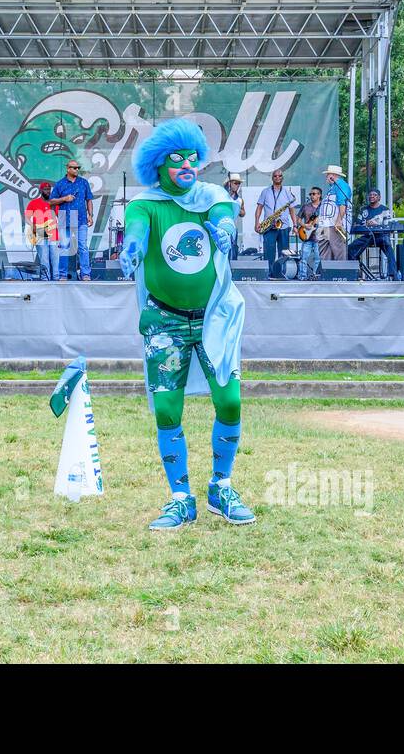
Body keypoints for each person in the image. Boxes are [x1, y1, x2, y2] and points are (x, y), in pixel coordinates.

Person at [120, 120, 253, 531]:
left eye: (193, 159)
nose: (187, 167)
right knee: (165, 408)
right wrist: (134, 246)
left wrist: (227, 231)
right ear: (158, 164)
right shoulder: (143, 204)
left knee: (229, 401)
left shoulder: (211, 195)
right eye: (177, 160)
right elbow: (138, 230)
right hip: (164, 320)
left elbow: (223, 215)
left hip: (215, 316)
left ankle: (221, 487)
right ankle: (181, 498)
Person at [50, 159, 95, 280]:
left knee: (83, 247)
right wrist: (65, 198)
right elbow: (51, 201)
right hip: (65, 217)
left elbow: (89, 199)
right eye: (74, 168)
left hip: (81, 218)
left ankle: (85, 274)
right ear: (68, 169)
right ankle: (63, 275)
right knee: (64, 247)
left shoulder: (83, 182)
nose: (77, 170)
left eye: (78, 168)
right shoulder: (60, 184)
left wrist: (90, 215)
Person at [254, 169, 298, 278]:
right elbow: (259, 207)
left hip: (284, 226)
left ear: (282, 177)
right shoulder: (265, 191)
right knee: (269, 252)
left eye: (280, 176)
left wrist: (295, 225)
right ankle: (269, 274)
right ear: (272, 178)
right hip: (269, 226)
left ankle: (282, 273)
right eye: (275, 176)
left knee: (284, 252)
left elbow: (292, 210)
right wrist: (257, 222)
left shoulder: (287, 192)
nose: (277, 177)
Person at [348, 187, 399, 279]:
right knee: (351, 248)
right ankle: (356, 271)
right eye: (370, 195)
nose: (372, 196)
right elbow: (357, 224)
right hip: (368, 236)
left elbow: (388, 224)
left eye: (374, 195)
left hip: (381, 237)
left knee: (389, 250)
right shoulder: (364, 210)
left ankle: (393, 275)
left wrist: (377, 224)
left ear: (379, 198)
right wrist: (367, 223)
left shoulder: (385, 210)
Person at [25, 180, 61, 280]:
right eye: (45, 189)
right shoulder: (34, 203)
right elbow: (27, 217)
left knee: (55, 258)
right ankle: (46, 279)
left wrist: (58, 224)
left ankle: (56, 278)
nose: (48, 191)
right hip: (40, 233)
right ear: (41, 190)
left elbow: (60, 218)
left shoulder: (54, 203)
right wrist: (33, 225)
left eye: (49, 189)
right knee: (44, 258)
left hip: (53, 233)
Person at [320, 164, 352, 261]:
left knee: (338, 250)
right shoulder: (332, 187)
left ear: (333, 175)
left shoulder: (341, 185)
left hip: (334, 224)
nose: (326, 177)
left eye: (328, 174)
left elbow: (342, 205)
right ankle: (326, 273)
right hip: (326, 224)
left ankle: (341, 273)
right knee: (324, 250)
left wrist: (339, 221)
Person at [296, 186, 323, 281]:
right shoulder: (306, 206)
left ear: (319, 195)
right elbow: (298, 219)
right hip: (306, 236)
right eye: (310, 194)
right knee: (303, 258)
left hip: (319, 237)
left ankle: (315, 276)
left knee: (318, 259)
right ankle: (302, 277)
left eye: (314, 194)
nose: (312, 196)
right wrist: (304, 225)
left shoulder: (324, 207)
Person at [223, 172, 247, 261]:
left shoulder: (240, 200)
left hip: (233, 229)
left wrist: (236, 208)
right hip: (222, 228)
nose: (237, 185)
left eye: (239, 183)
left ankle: (232, 269)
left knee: (233, 248)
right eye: (235, 183)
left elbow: (243, 213)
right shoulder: (222, 196)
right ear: (229, 183)